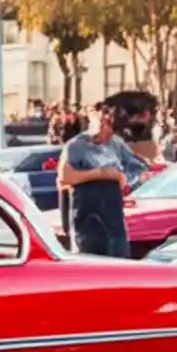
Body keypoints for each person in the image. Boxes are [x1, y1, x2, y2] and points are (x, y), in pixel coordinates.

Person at [58, 103, 141, 258]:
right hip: (86, 219)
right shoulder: (76, 146)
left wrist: (125, 179)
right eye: (104, 123)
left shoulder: (116, 144)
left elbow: (138, 168)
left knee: (119, 258)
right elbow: (65, 177)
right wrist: (103, 174)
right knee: (89, 260)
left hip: (113, 215)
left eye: (111, 125)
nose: (108, 131)